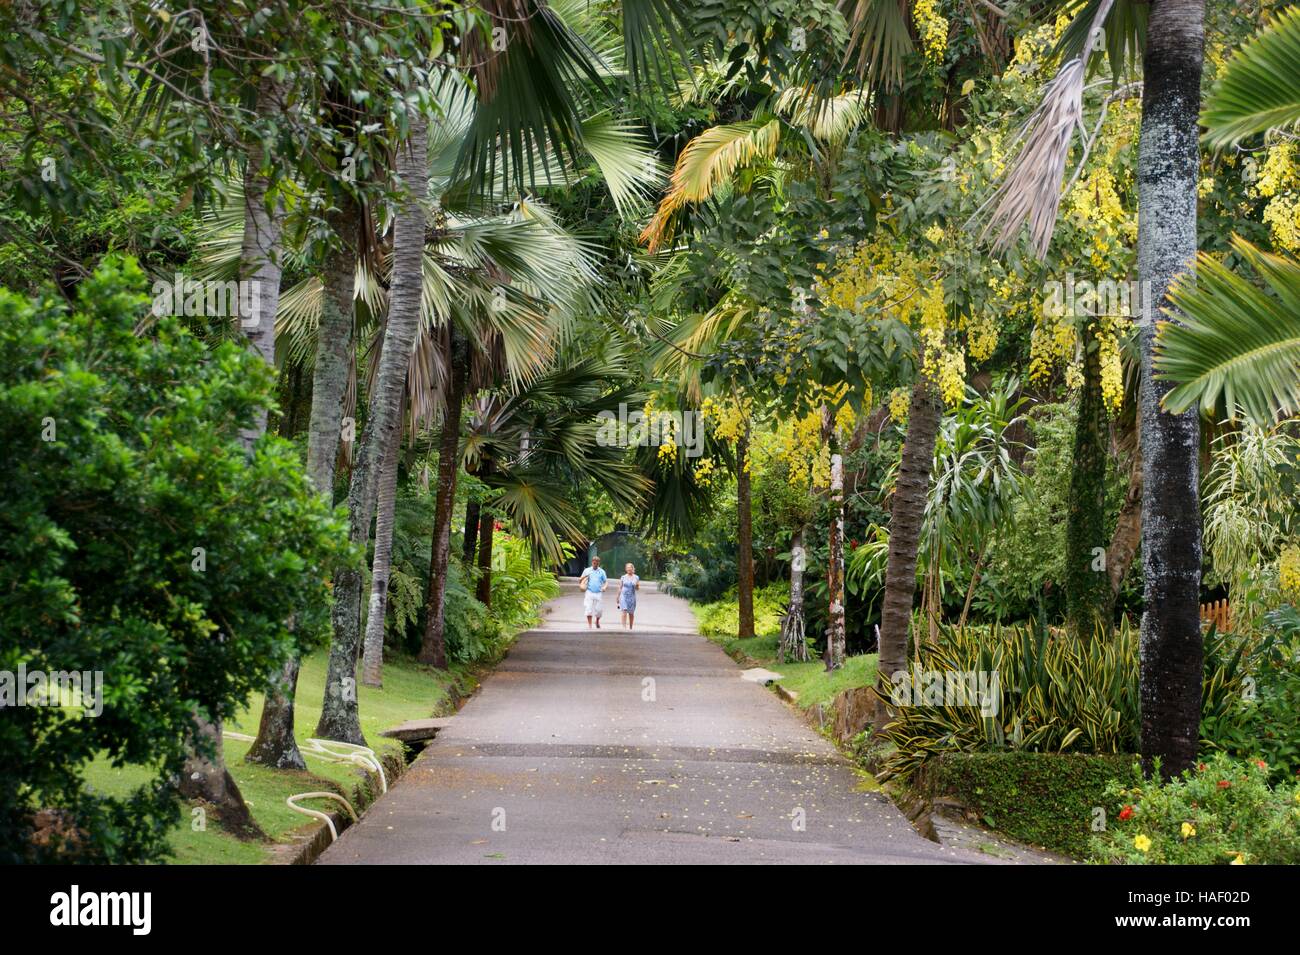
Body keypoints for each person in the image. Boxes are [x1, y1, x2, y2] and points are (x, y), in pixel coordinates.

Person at [578, 556, 607, 629]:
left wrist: (604, 587)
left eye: (597, 562)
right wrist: (584, 578)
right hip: (589, 592)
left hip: (598, 592)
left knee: (599, 610)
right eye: (594, 562)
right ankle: (590, 625)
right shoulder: (587, 570)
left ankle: (597, 621)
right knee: (589, 609)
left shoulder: (602, 571)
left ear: (598, 563)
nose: (595, 563)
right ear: (592, 562)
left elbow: (606, 581)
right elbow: (580, 580)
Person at [617, 563, 640, 630]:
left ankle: (630, 627)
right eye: (627, 567)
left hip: (631, 596)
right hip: (623, 596)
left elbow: (637, 589)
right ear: (626, 569)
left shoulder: (636, 577)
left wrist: (637, 585)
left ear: (633, 569)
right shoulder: (623, 577)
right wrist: (618, 597)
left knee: (631, 613)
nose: (629, 569)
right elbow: (620, 587)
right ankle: (624, 627)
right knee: (624, 610)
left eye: (630, 567)